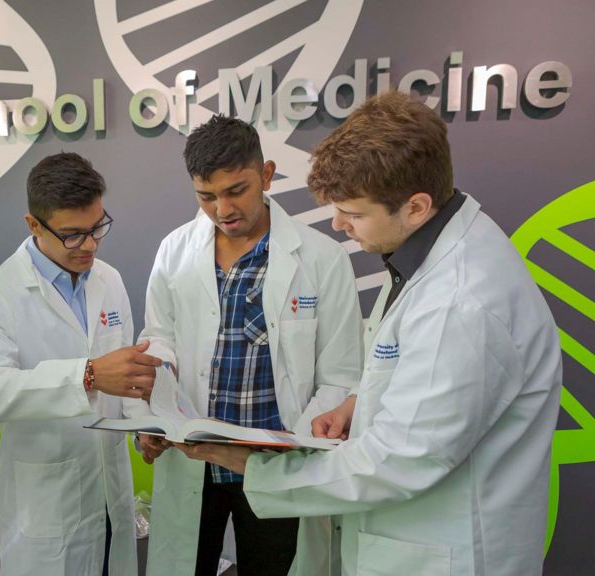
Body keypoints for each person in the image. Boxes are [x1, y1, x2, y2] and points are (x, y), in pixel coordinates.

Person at [177, 91, 562, 575]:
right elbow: (427, 384)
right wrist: (359, 405)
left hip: (444, 552)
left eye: (354, 214)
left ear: (416, 206)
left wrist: (254, 468)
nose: (339, 225)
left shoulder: (460, 302)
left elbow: (399, 461)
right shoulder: (433, 252)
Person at [127, 116, 363, 576]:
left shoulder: (322, 258)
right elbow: (160, 340)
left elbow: (340, 375)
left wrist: (297, 441)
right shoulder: (175, 250)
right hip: (197, 460)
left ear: (267, 174)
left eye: (236, 190)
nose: (222, 209)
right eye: (206, 196)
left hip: (276, 463)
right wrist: (153, 416)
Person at [0, 152, 160, 576]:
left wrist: (144, 427)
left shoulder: (109, 280)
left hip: (112, 494)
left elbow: (125, 374)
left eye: (97, 228)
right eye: (73, 235)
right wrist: (86, 376)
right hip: (50, 505)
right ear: (34, 225)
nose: (89, 245)